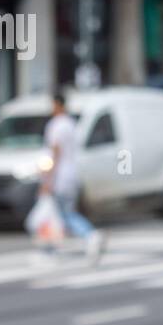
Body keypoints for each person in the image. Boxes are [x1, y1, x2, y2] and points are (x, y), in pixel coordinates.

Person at [42, 91, 106, 265]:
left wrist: (47, 180)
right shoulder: (71, 124)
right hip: (72, 174)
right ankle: (54, 247)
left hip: (60, 177)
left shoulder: (56, 125)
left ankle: (89, 234)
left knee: (64, 214)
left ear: (57, 105)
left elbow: (56, 152)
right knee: (63, 213)